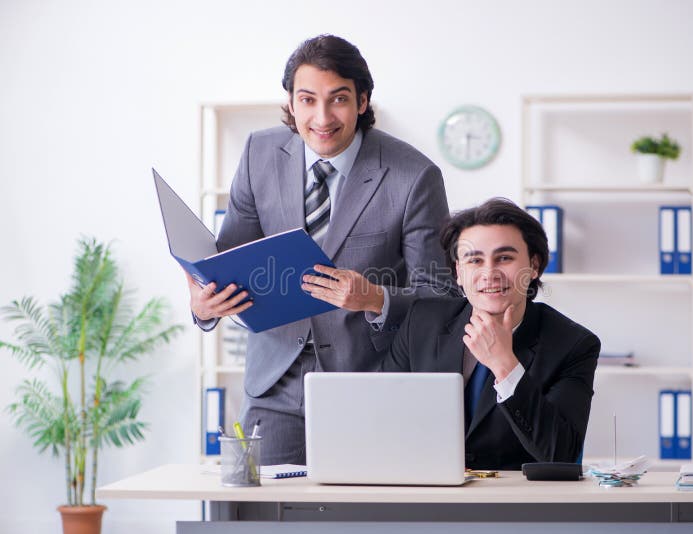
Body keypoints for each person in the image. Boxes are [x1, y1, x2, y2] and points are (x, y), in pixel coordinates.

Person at [186, 35, 452, 465]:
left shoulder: (414, 176)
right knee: (257, 518)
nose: (322, 117)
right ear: (290, 103)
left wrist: (375, 298)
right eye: (307, 99)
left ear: (363, 101)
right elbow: (228, 261)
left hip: (369, 388)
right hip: (272, 390)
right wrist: (204, 303)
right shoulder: (259, 153)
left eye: (339, 99)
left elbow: (442, 298)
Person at [382, 198, 600, 470]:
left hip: (514, 504)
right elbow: (384, 414)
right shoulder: (421, 322)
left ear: (534, 266)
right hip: (427, 490)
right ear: (459, 273)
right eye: (474, 260)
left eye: (504, 258)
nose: (489, 273)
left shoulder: (573, 345)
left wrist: (505, 366)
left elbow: (561, 455)